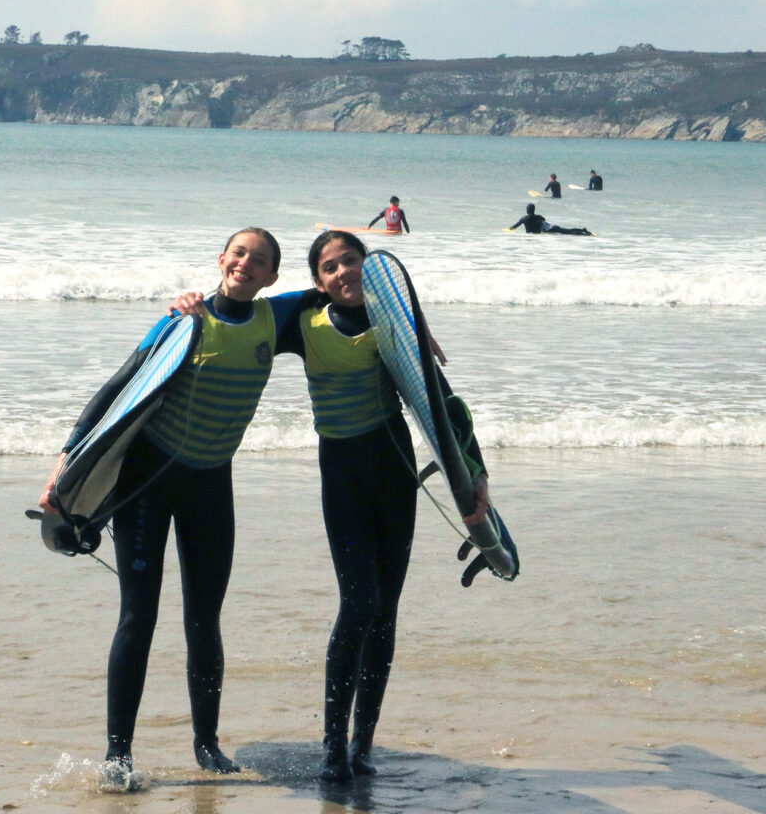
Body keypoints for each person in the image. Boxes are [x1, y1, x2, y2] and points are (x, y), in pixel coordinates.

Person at [175, 230, 486, 783]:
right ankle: (332, 747)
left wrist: (476, 478)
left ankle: (362, 745)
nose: (343, 272)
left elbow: (442, 406)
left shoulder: (394, 329)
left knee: (385, 611)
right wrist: (190, 304)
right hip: (342, 477)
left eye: (350, 261)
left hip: (394, 478)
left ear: (367, 265)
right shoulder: (304, 321)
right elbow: (237, 306)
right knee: (359, 602)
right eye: (329, 267)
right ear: (317, 281)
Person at [37, 228, 308, 791]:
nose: (246, 264)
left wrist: (419, 335)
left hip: (212, 484)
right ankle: (118, 755)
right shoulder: (182, 321)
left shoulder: (275, 320)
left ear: (273, 276)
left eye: (260, 260)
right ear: (221, 260)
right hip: (148, 482)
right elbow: (116, 389)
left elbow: (348, 293)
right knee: (139, 615)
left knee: (204, 619)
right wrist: (64, 465)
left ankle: (207, 745)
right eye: (239, 254)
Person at [508, 202, 592, 236]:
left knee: (568, 232)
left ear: (527, 210)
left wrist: (507, 230)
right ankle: (583, 230)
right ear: (534, 210)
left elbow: (513, 227)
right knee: (567, 231)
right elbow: (543, 220)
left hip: (549, 231)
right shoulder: (539, 217)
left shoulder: (523, 219)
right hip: (551, 228)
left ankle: (585, 233)